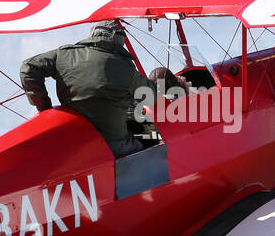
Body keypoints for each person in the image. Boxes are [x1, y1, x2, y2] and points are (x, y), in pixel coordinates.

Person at [20, 21, 180, 157]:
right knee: (152, 143)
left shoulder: (64, 55)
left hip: (76, 143)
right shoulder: (124, 67)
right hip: (112, 145)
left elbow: (28, 68)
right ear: (118, 41)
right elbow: (151, 95)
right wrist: (180, 85)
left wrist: (44, 108)